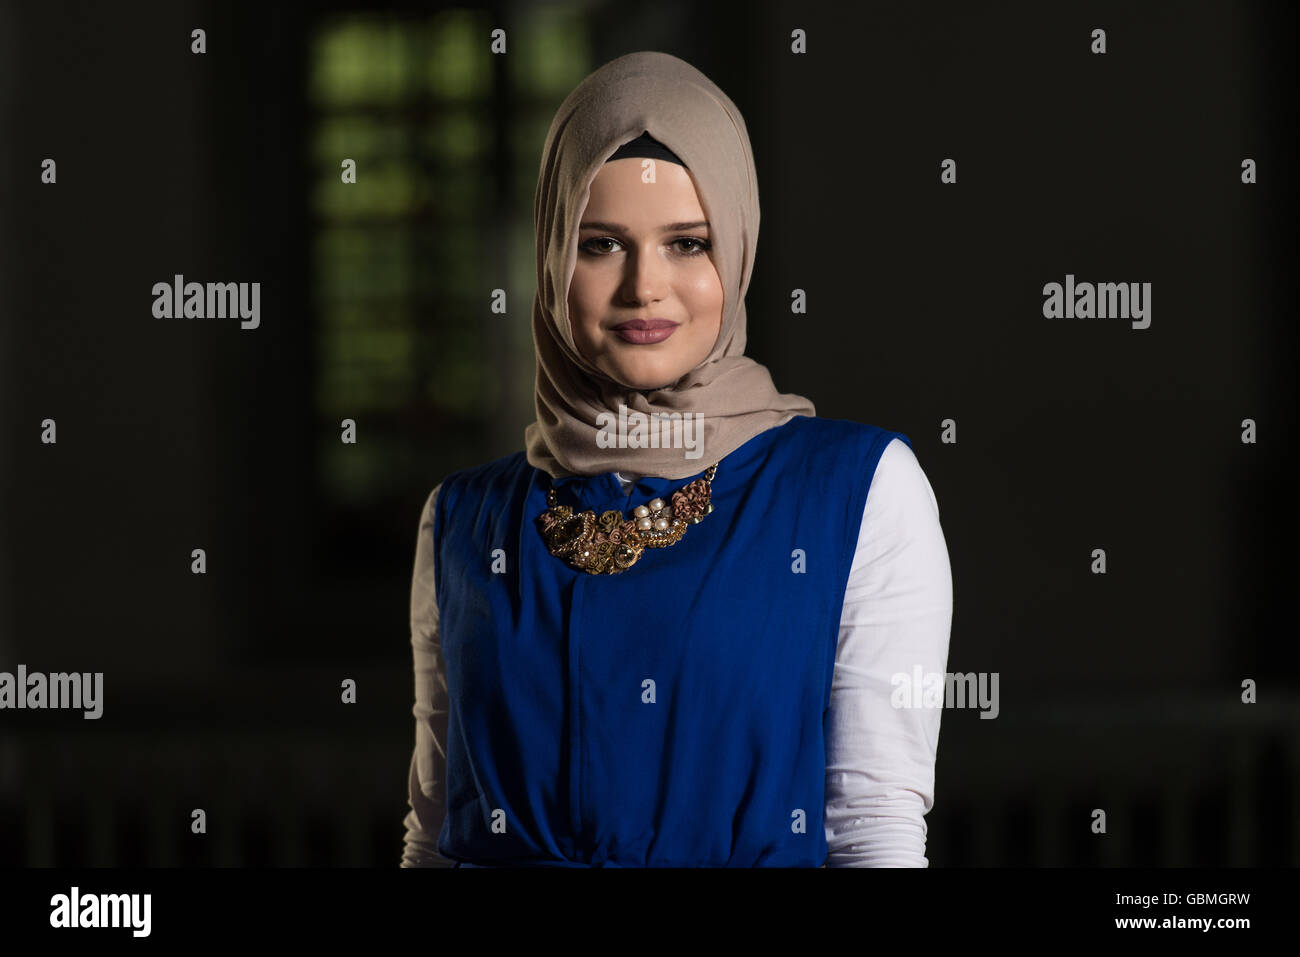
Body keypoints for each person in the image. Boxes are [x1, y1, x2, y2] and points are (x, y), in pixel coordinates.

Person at [401, 51, 952, 868]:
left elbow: (875, 833)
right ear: (552, 257)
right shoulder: (462, 520)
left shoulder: (857, 493)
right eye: (600, 245)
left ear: (736, 246)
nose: (644, 287)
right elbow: (435, 838)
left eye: (688, 243)